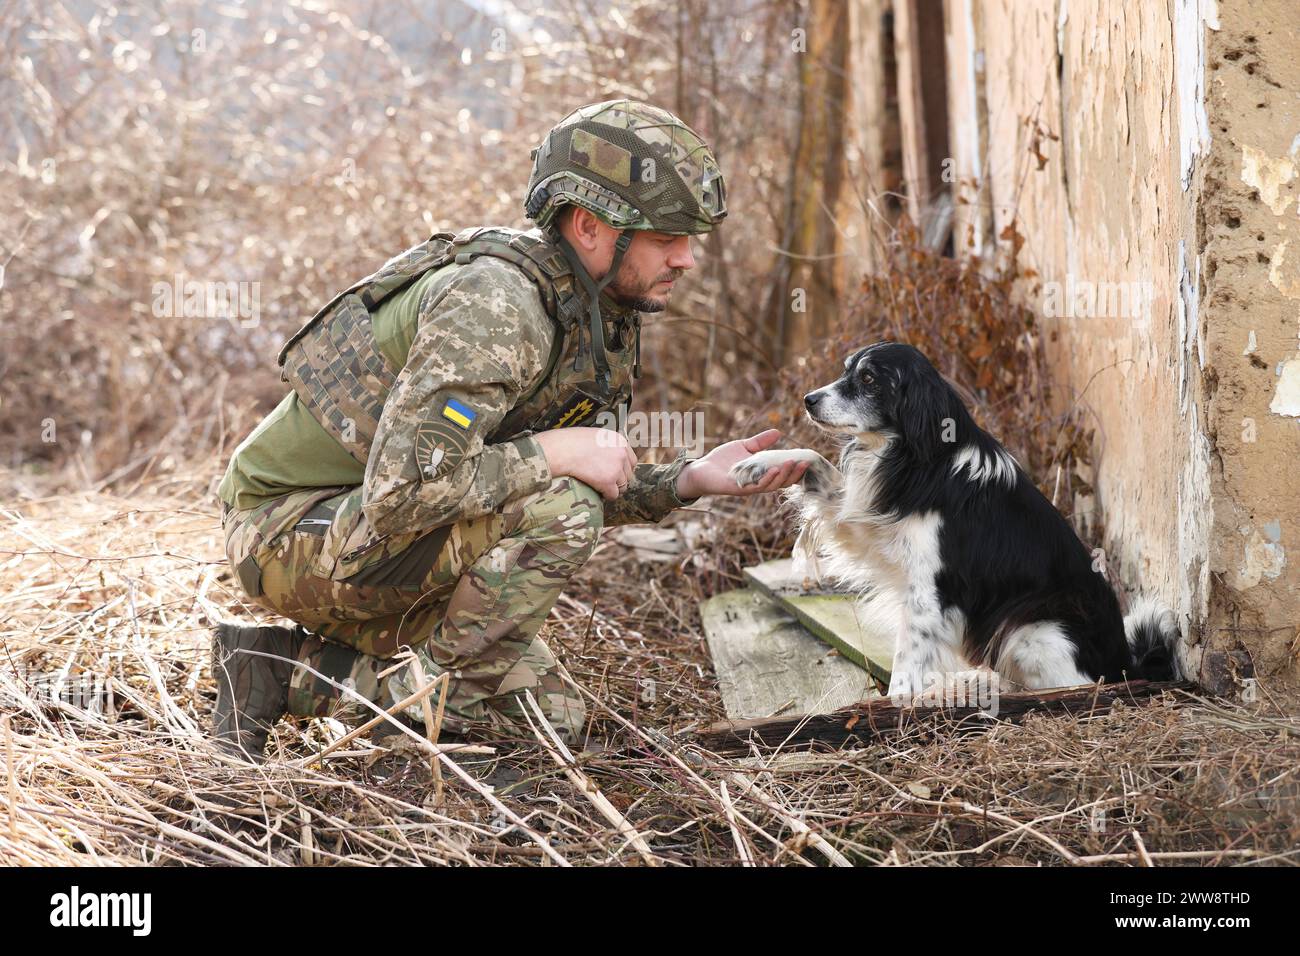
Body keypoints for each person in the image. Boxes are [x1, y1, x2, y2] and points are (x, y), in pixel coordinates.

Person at [211, 99, 809, 762]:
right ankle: (424, 710)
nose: (687, 259)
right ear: (589, 226)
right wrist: (555, 450)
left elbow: (578, 472)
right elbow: (405, 493)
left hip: (381, 536)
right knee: (564, 509)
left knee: (551, 715)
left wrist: (690, 481)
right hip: (288, 531)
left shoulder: (592, 309)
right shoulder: (496, 308)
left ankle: (277, 673)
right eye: (667, 236)